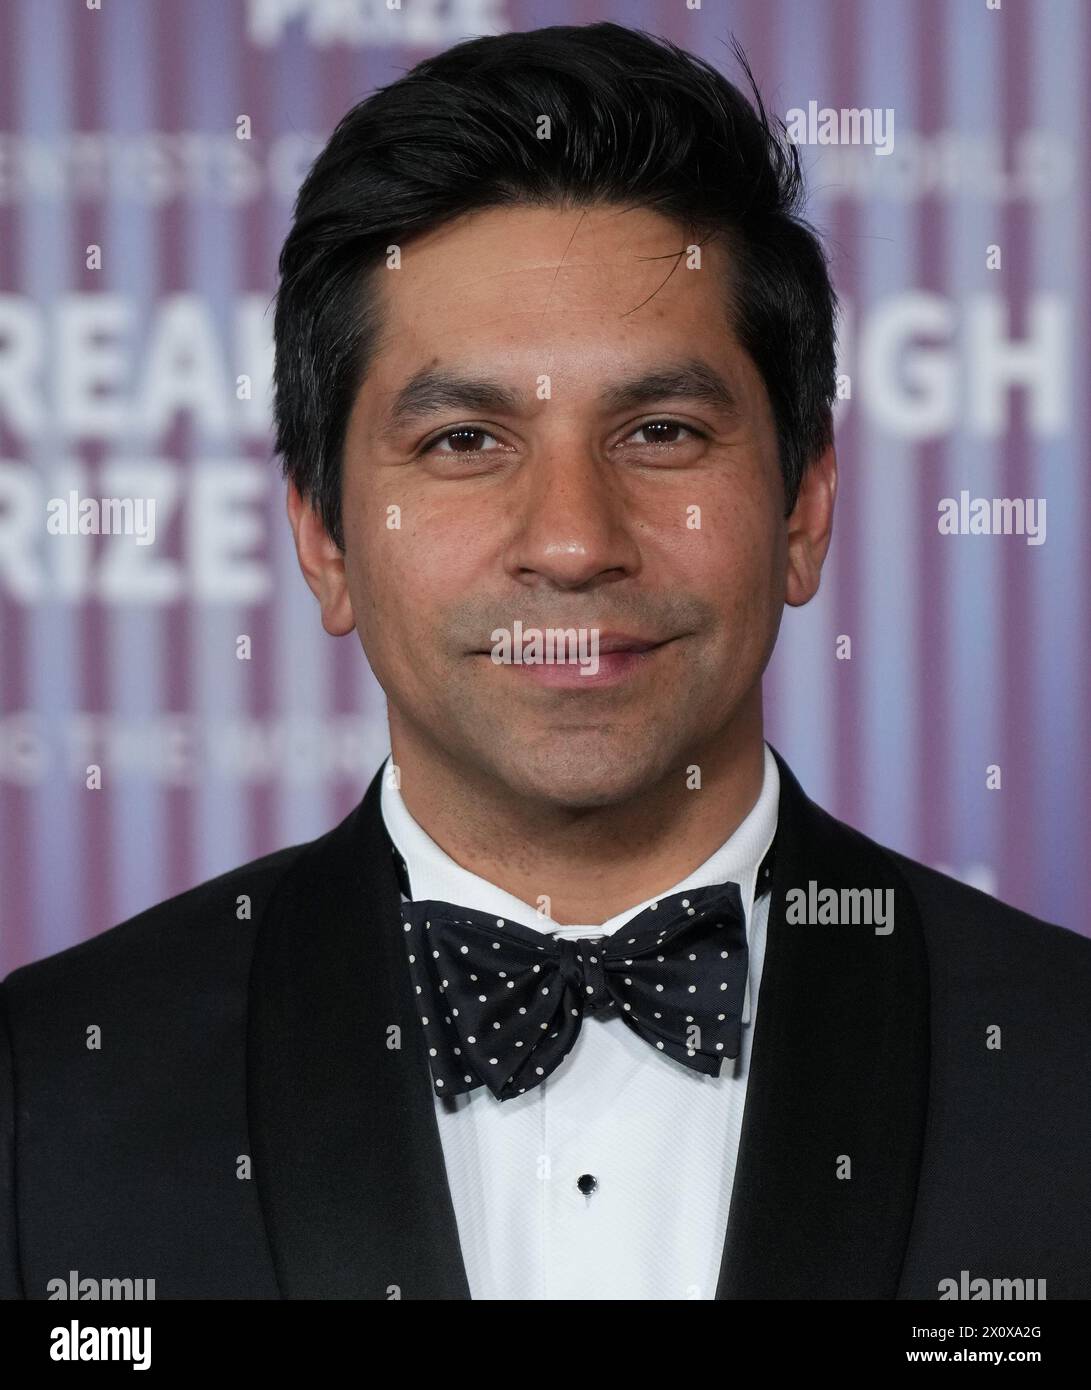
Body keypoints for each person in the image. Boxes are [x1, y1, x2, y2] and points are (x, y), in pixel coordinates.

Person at [2, 22, 1088, 1302]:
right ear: (323, 538)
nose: (573, 542)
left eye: (661, 430)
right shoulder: (45, 1094)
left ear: (803, 508)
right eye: (464, 441)